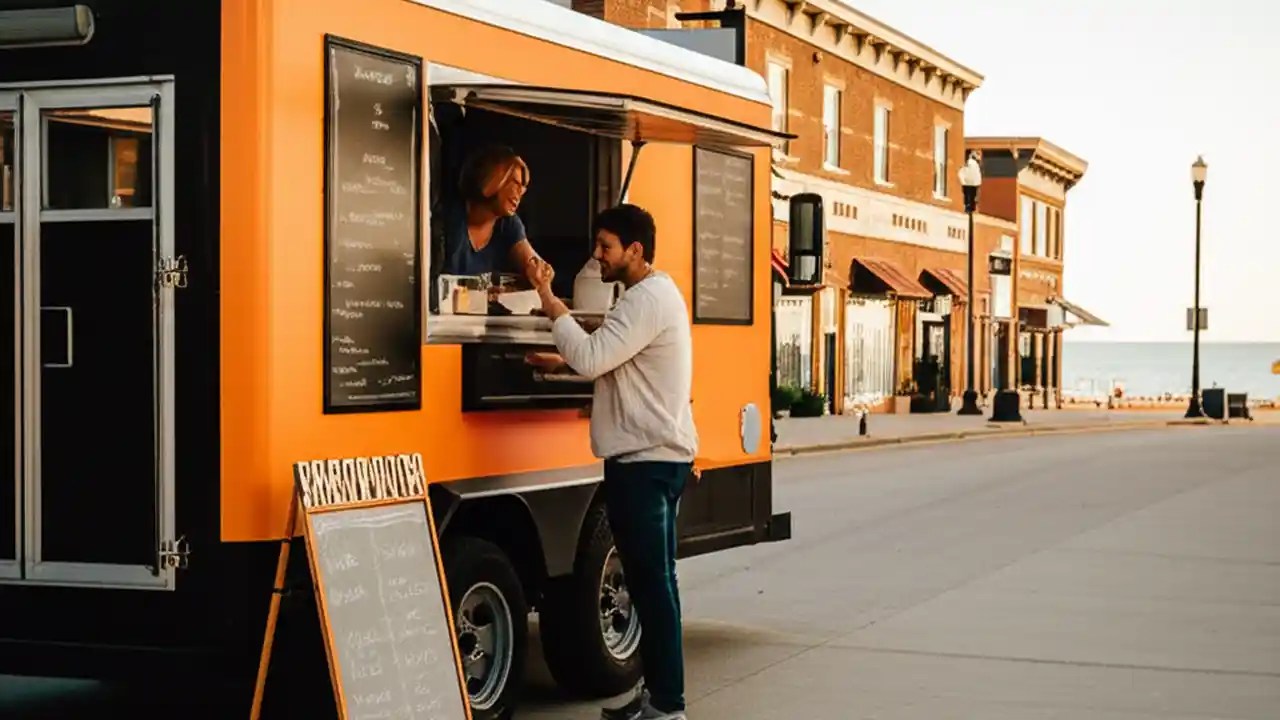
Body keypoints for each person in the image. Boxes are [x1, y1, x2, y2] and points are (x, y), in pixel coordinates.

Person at [525, 204, 697, 720]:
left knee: (653, 588)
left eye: (606, 246)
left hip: (643, 465)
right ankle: (656, 698)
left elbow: (595, 357)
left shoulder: (645, 300)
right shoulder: (653, 296)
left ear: (635, 251)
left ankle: (667, 707)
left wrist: (549, 298)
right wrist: (566, 359)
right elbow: (613, 362)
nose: (597, 257)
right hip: (656, 460)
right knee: (654, 587)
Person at [439, 144, 542, 281]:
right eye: (515, 183)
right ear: (491, 177)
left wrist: (539, 272)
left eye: (522, 188)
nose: (520, 194)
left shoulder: (508, 222)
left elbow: (531, 262)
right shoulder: (451, 218)